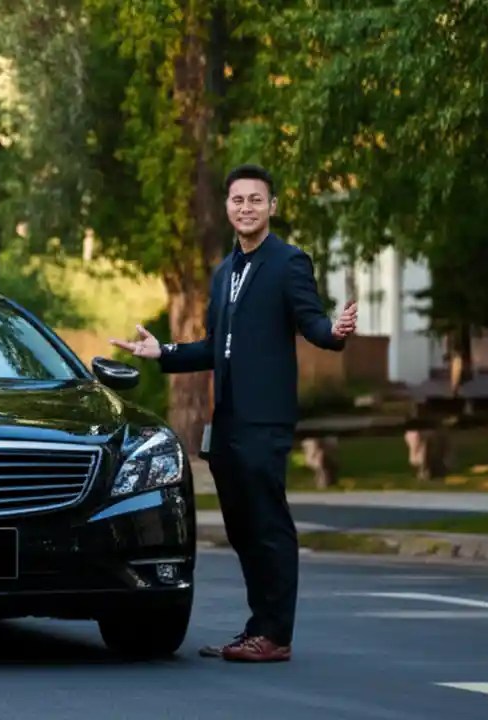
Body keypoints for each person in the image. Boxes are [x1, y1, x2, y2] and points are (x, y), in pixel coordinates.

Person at [110, 164, 357, 663]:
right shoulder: (226, 273)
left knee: (269, 526)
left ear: (273, 207)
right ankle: (256, 628)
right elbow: (215, 347)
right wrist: (166, 353)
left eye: (255, 200)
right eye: (238, 200)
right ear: (228, 207)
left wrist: (334, 332)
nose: (246, 207)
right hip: (227, 423)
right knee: (242, 529)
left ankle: (276, 635)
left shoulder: (288, 262)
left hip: (265, 421)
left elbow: (311, 322)